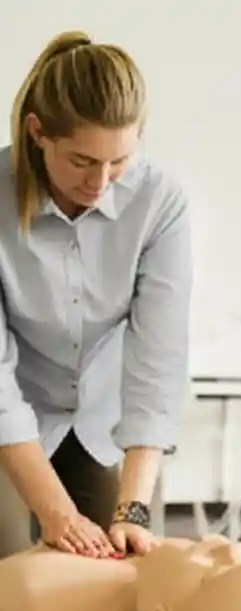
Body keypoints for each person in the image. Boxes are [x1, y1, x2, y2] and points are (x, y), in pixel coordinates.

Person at [0, 32, 192, 561]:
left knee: (122, 571)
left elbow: (158, 361)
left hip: (97, 423)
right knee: (13, 579)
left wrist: (132, 508)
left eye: (120, 161)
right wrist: (58, 513)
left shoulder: (160, 201)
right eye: (82, 161)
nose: (101, 182)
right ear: (38, 133)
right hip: (9, 422)